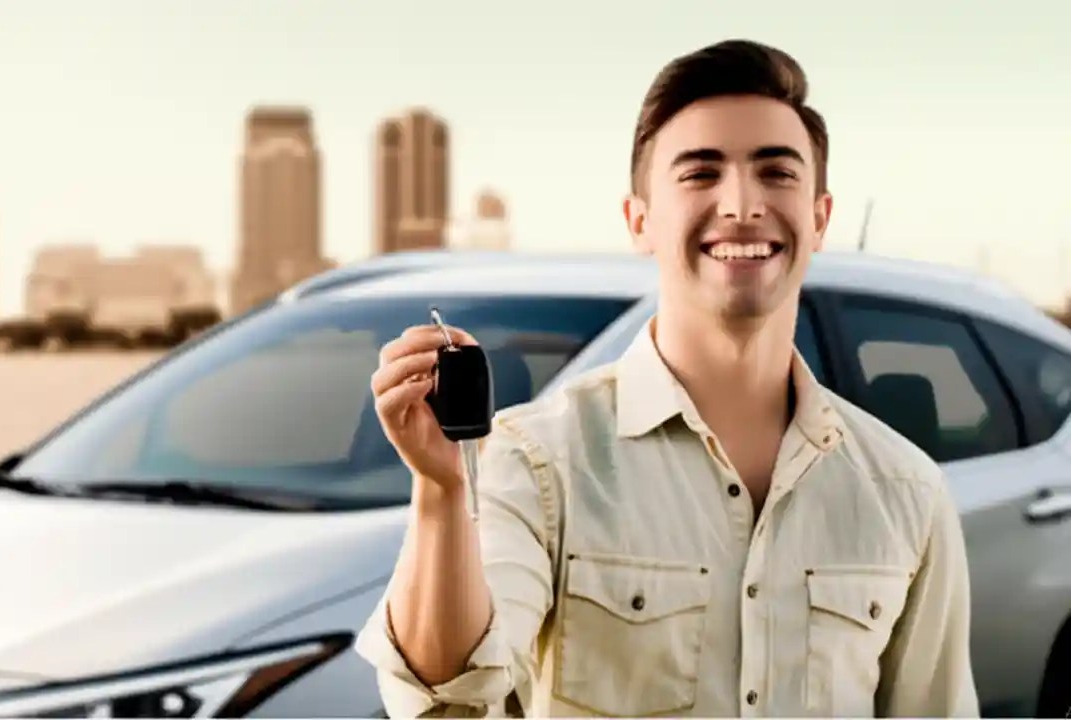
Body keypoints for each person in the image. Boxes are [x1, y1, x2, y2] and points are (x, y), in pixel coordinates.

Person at [358, 39, 979, 718]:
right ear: (640, 221)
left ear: (820, 217)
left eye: (776, 172)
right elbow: (446, 699)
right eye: (701, 173)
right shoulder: (540, 462)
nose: (741, 203)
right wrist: (441, 491)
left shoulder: (907, 492)